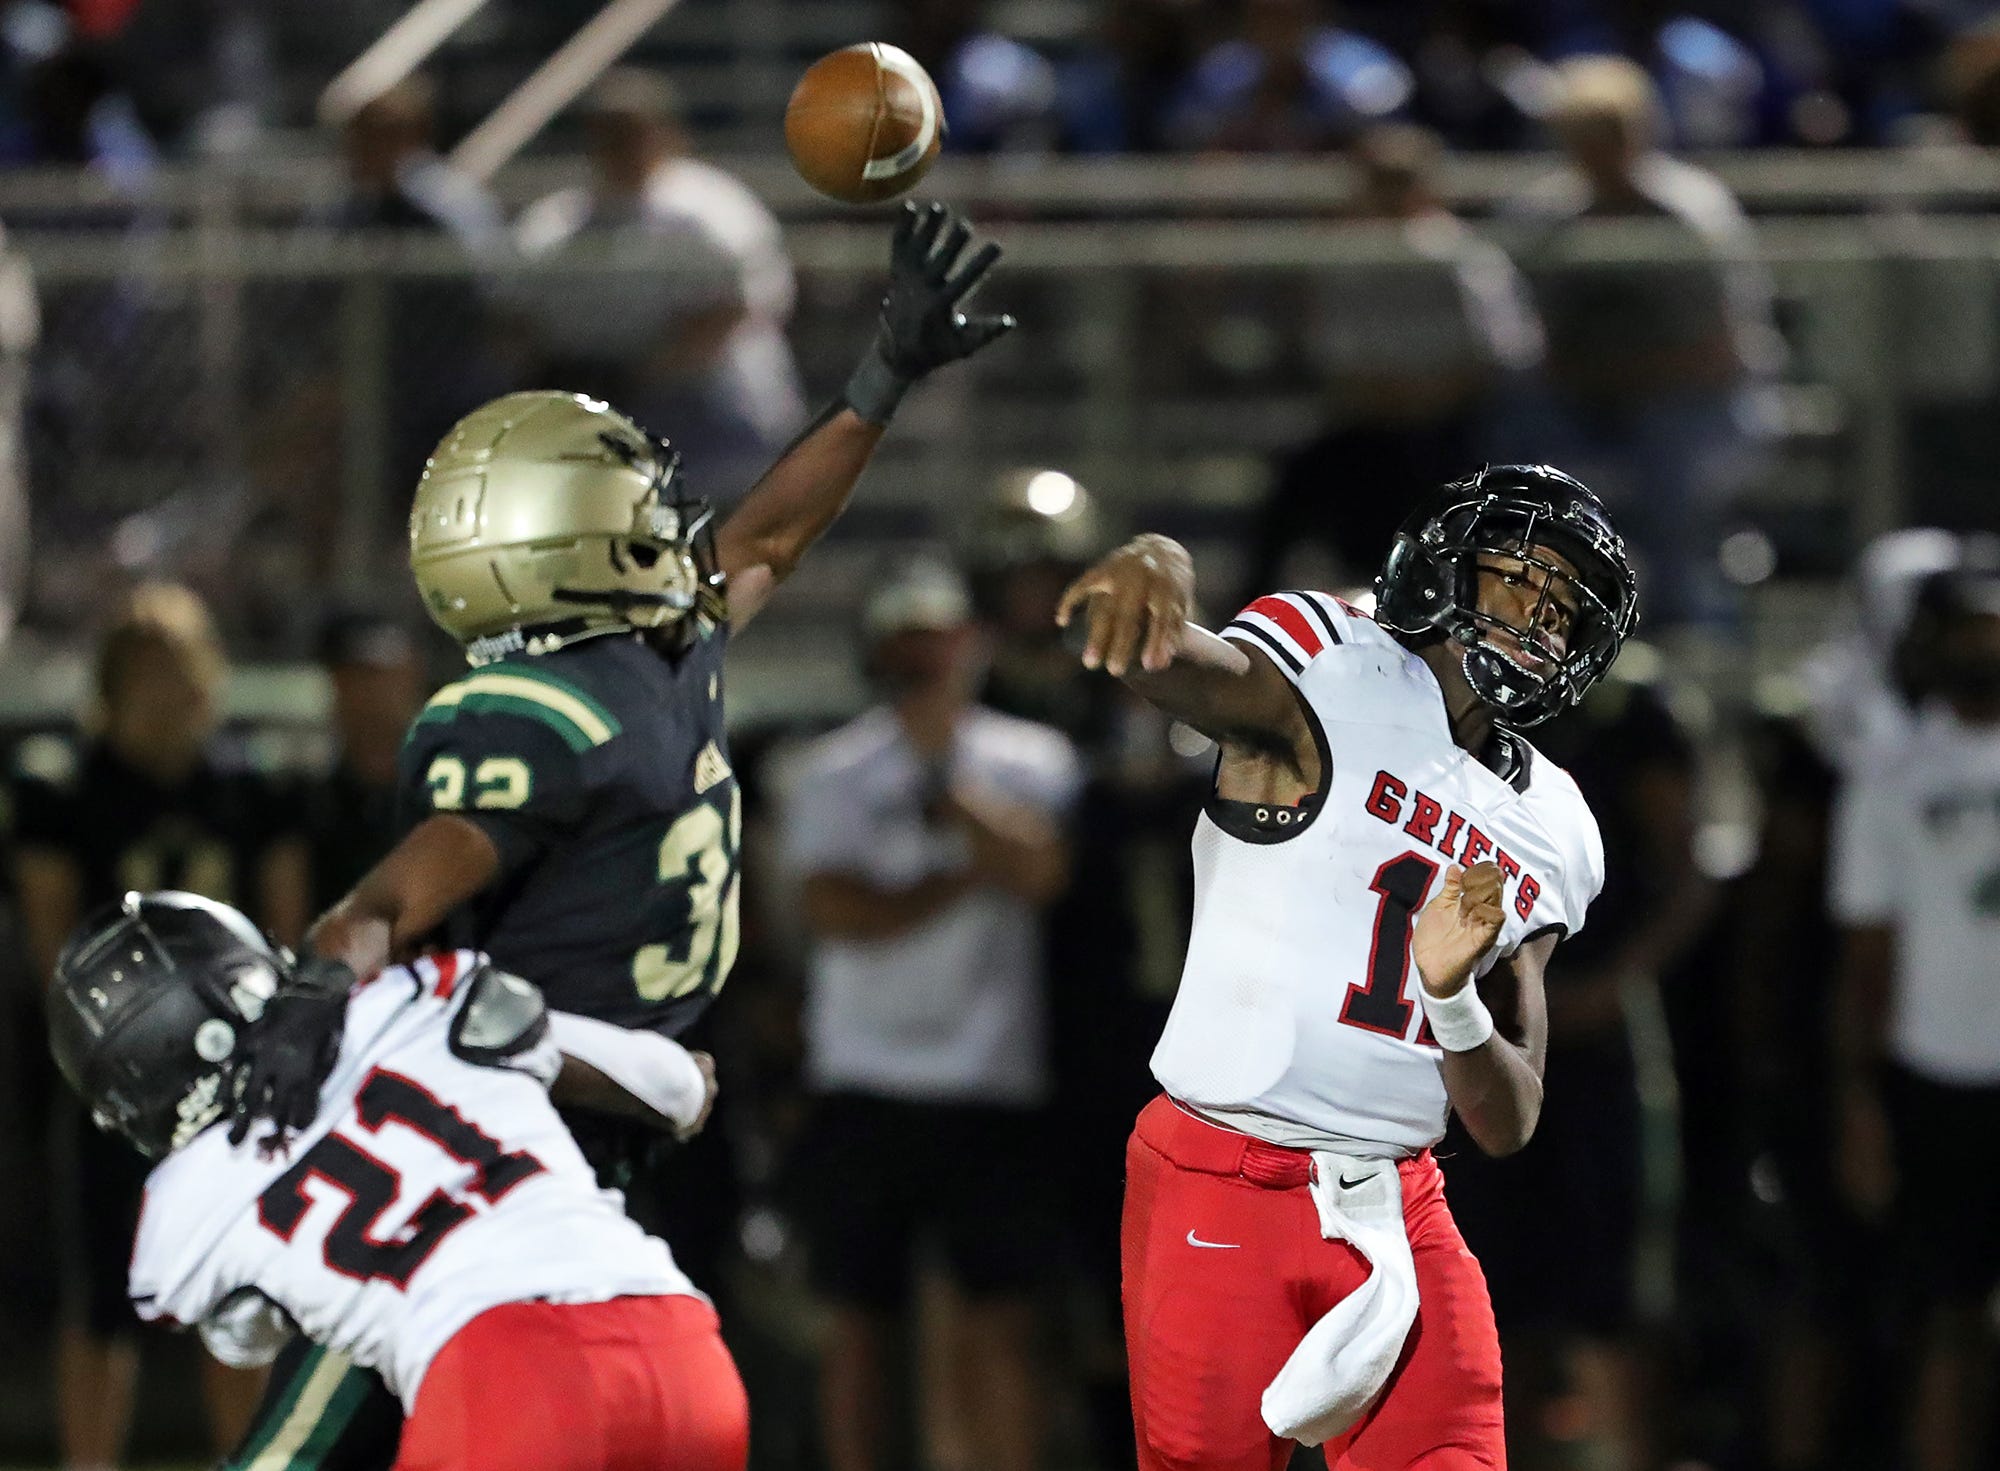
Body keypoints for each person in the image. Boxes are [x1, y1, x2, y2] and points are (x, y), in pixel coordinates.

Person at [220, 199, 1014, 1471]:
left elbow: (770, 532)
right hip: (486, 1140)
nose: (662, 508)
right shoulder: (558, 702)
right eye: (623, 495)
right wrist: (330, 961)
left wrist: (879, 379)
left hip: (574, 1138)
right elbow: (413, 880)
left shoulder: (656, 650)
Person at [1054, 464, 1638, 1471]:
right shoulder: (1333, 664)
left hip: (1394, 1200)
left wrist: (1451, 998)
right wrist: (1156, 578)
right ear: (1443, 564)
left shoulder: (1554, 824)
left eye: (1562, 607)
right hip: (1219, 1174)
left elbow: (1506, 1120)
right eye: (1518, 577)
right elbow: (1181, 667)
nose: (1538, 618)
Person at [47, 890, 739, 1471]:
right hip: (683, 1350)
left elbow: (247, 1337)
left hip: (504, 1387)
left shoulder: (181, 1217)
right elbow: (675, 1084)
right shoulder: (414, 997)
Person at [781, 556, 1080, 1471]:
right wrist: (961, 875)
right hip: (863, 1073)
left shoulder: (1034, 759)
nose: (923, 666)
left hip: (990, 1076)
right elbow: (834, 909)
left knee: (997, 1321)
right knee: (859, 1324)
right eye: (906, 648)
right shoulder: (829, 769)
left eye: (937, 645)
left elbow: (1041, 875)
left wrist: (949, 787)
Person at [8, 582, 308, 1471]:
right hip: (113, 1083)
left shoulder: (253, 787)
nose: (169, 696)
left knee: (239, 1291)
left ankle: (248, 1459)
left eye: (181, 673)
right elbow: (54, 950)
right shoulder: (65, 790)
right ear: (108, 690)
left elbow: (286, 944)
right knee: (104, 1294)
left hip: (237, 1080)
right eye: (146, 677)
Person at [1502, 56, 1780, 630]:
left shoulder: (1691, 215)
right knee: (1516, 433)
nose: (1596, 151)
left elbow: (1721, 352)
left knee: (1668, 446)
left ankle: (1675, 616)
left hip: (1700, 401)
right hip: (1579, 399)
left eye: (1610, 135)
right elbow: (1524, 338)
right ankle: (1542, 617)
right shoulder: (1546, 217)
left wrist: (1623, 377)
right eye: (1581, 137)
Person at [1829, 564, 2000, 1471]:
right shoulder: (1891, 775)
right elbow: (1866, 954)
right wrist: (1862, 1100)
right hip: (1939, 1076)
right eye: (1970, 631)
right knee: (1948, 1316)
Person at [1246, 122, 1542, 600]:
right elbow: (1333, 362)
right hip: (1369, 423)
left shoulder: (1464, 257)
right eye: (1378, 180)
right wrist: (1385, 399)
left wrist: (1427, 396)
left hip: (1455, 424)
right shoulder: (1343, 259)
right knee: (1303, 478)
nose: (1388, 193)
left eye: (1400, 179)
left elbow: (1504, 354)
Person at [510, 68, 806, 494]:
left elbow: (730, 311)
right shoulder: (557, 223)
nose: (620, 145)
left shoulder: (708, 210)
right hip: (595, 412)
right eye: (608, 133)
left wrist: (637, 376)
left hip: (712, 411)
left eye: (632, 132)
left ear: (666, 132)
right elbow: (513, 319)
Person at [293, 612, 429, 913]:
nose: (368, 695)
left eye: (380, 678)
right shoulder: (306, 804)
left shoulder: (442, 797)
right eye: (353, 680)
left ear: (411, 679)